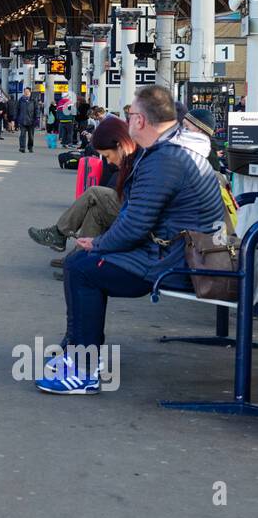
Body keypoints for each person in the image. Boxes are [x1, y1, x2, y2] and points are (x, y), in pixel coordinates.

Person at [38, 86, 225, 395]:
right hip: (186, 252)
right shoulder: (173, 150)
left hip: (179, 262)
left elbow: (135, 225)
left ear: (141, 120)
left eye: (130, 115)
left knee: (83, 268)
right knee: (79, 262)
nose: (127, 121)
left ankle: (84, 370)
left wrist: (97, 245)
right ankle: (76, 350)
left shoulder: (166, 160)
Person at [27, 116, 137, 274]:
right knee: (96, 211)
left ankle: (59, 233)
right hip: (126, 202)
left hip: (131, 207)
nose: (109, 161)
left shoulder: (141, 156)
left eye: (107, 156)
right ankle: (79, 259)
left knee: (94, 193)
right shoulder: (134, 155)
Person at [15, 88, 38, 152]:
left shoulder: (33, 100)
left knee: (31, 136)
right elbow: (17, 109)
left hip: (31, 121)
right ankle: (22, 147)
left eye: (27, 91)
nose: (26, 93)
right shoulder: (21, 100)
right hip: (22, 120)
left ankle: (30, 147)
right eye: (25, 91)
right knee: (22, 135)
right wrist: (16, 119)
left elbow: (36, 109)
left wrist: (37, 118)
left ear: (30, 92)